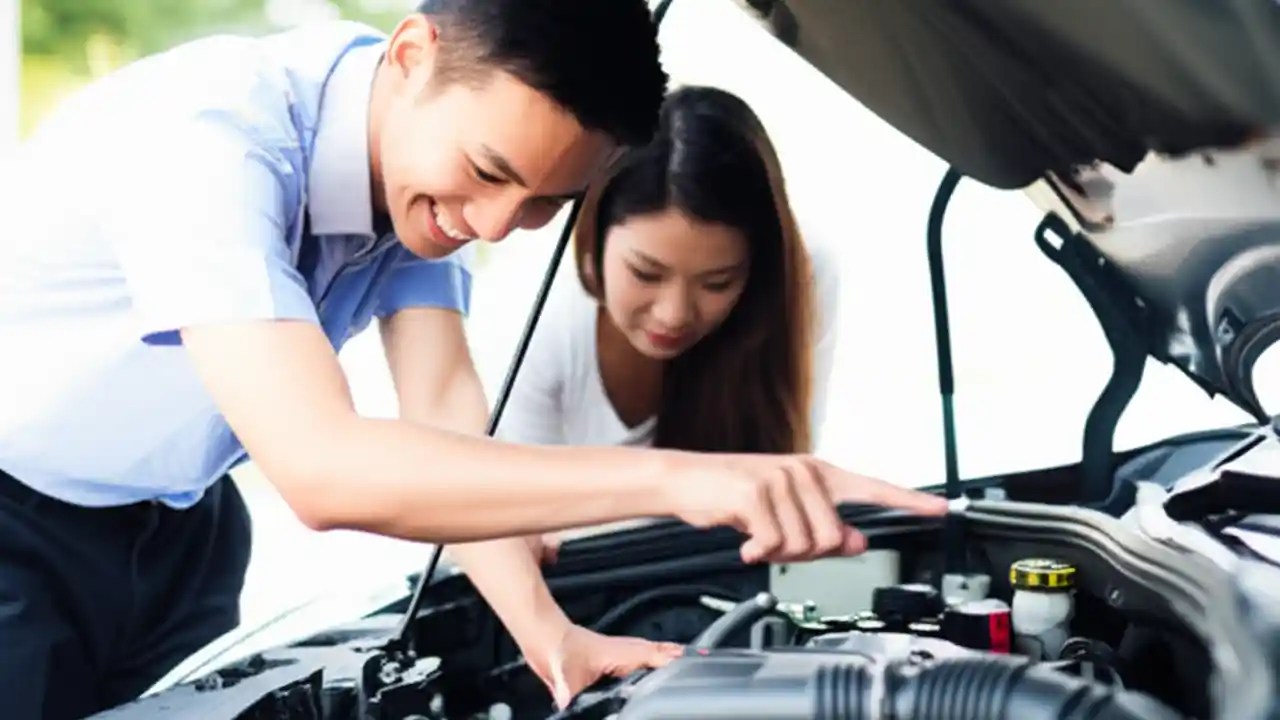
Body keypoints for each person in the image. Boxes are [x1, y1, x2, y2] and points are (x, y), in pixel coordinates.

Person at [0, 2, 946, 718]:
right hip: (18, 530)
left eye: (543, 204)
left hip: (181, 531)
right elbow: (323, 471)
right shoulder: (207, 146)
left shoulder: (411, 156)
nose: (494, 225)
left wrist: (549, 638)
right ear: (413, 55)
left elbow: (449, 413)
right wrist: (684, 479)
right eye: (491, 173)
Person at [491, 85, 839, 563]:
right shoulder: (535, 317)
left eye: (717, 282)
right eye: (646, 274)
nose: (674, 314)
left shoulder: (801, 276)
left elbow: (785, 478)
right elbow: (517, 521)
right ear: (594, 234)